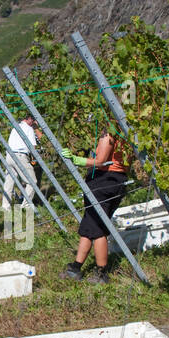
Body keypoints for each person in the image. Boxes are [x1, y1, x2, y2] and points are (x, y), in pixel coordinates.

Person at [59, 122, 129, 284]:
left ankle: (101, 273)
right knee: (89, 225)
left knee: (97, 229)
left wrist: (77, 160)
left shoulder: (110, 132)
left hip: (104, 181)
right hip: (116, 181)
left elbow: (101, 160)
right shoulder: (128, 133)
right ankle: (75, 267)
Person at [2, 111, 41, 209]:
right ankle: (25, 206)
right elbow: (33, 146)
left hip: (9, 156)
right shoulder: (29, 128)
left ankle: (5, 207)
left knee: (9, 181)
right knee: (32, 181)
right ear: (30, 119)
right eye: (34, 120)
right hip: (20, 156)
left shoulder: (15, 127)